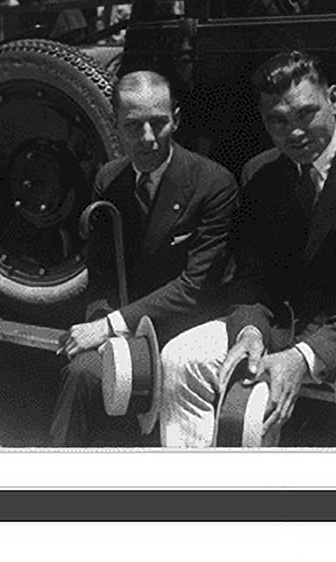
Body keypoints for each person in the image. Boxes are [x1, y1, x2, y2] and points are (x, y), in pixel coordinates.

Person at [158, 50, 336, 449]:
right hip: (289, 322)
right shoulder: (260, 174)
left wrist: (302, 357)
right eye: (278, 121)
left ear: (334, 100)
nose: (295, 133)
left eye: (307, 113)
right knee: (181, 357)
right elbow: (252, 278)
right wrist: (250, 329)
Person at [49, 70, 238, 447]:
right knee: (81, 373)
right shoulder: (109, 178)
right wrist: (102, 328)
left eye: (158, 123)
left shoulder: (212, 184)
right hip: (126, 333)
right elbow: (100, 274)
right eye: (134, 126)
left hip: (187, 332)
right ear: (115, 126)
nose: (148, 139)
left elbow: (195, 287)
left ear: (177, 120)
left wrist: (110, 327)